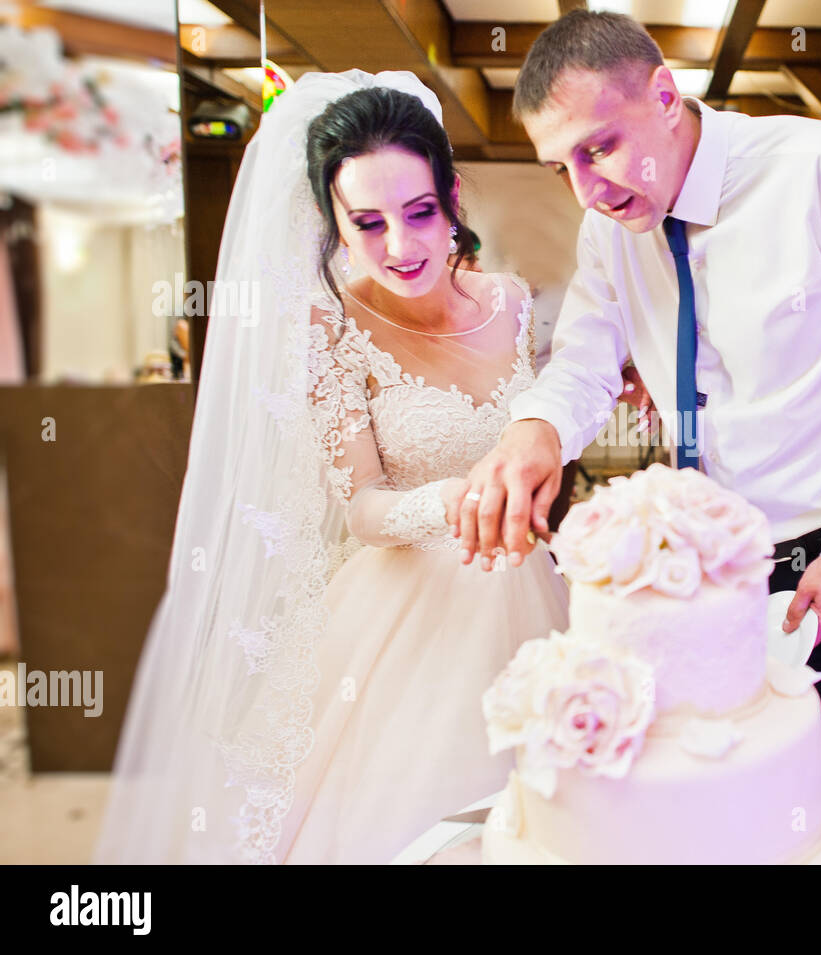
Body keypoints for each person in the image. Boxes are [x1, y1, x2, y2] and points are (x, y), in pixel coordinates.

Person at [449, 10, 821, 822]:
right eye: (562, 167)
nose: (589, 190)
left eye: (598, 146)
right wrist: (536, 433)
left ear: (665, 94)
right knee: (741, 815)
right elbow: (587, 363)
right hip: (718, 576)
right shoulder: (611, 229)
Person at [95, 71, 567, 864]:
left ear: (452, 197)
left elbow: (544, 430)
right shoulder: (330, 328)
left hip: (526, 585)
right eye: (368, 222)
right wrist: (457, 500)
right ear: (334, 224)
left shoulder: (515, 303)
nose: (400, 246)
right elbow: (365, 508)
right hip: (404, 610)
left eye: (420, 213)